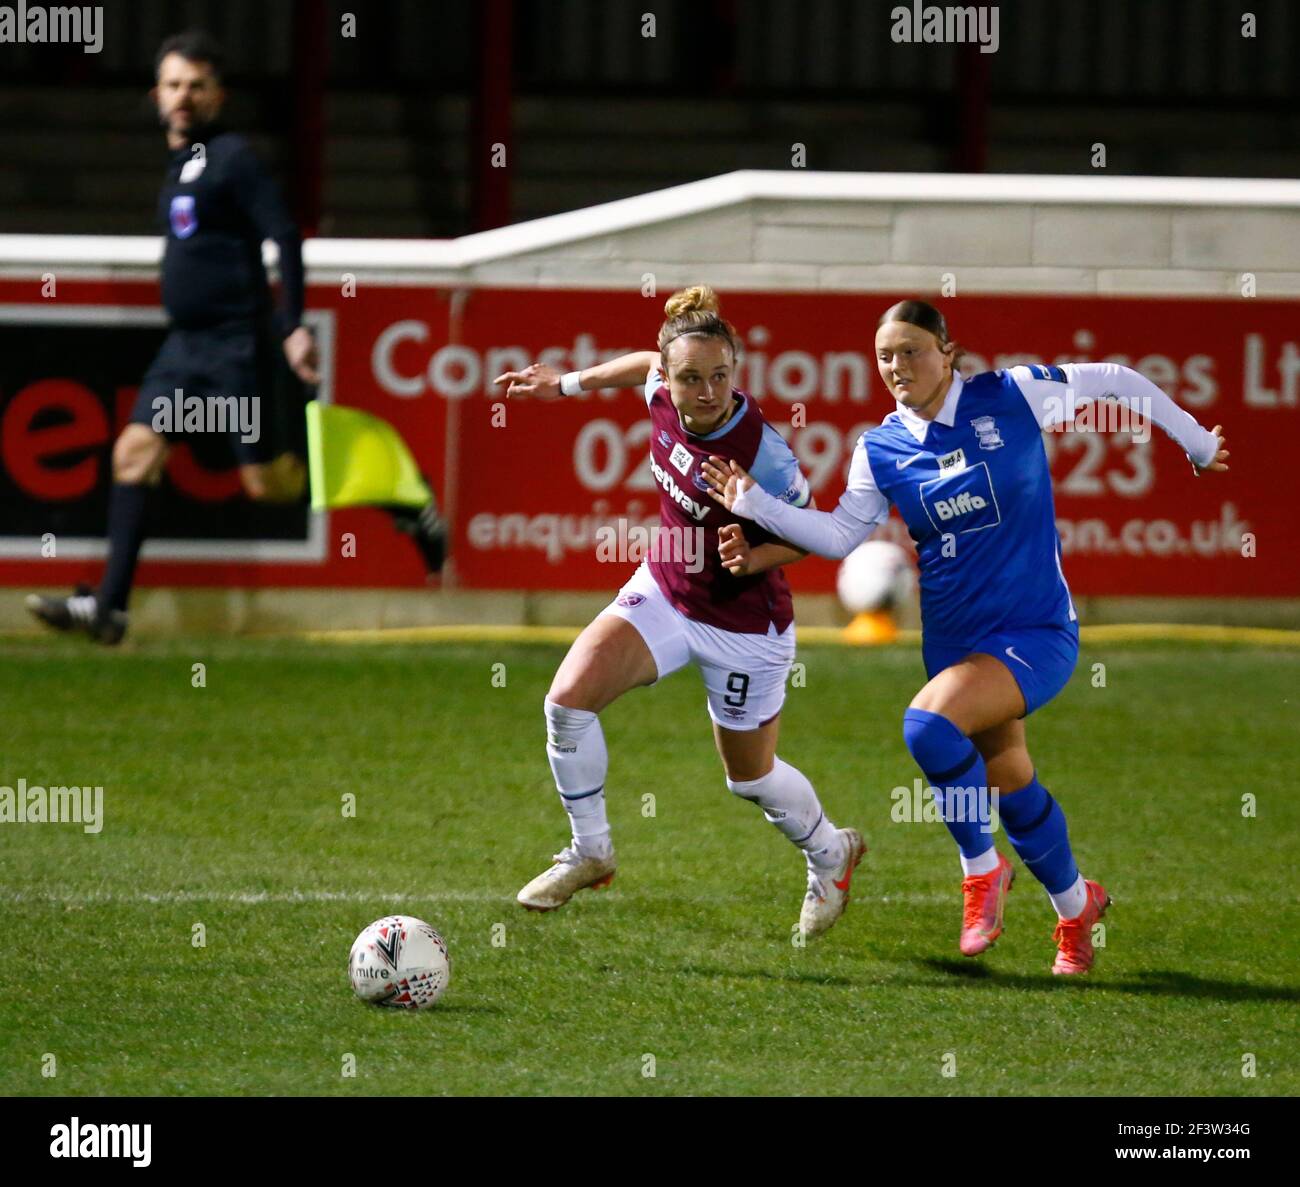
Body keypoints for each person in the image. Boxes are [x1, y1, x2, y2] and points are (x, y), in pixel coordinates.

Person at [702, 299, 1228, 974]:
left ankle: (981, 873)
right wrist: (755, 506)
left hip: (1034, 630)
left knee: (926, 726)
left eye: (913, 349)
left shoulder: (1012, 394)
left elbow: (1120, 381)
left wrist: (1198, 443)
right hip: (952, 641)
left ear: (948, 351)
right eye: (885, 355)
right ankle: (1077, 907)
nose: (898, 366)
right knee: (1010, 777)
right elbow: (838, 534)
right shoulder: (880, 447)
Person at [26, 30, 444, 643]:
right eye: (173, 85)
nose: (184, 96)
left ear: (218, 95)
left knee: (268, 484)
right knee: (134, 455)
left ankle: (405, 502)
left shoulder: (232, 158)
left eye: (197, 85)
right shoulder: (180, 163)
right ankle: (109, 610)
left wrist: (293, 325)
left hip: (236, 346)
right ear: (156, 95)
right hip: (185, 347)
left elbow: (286, 236)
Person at [494, 286, 865, 938]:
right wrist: (568, 385)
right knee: (567, 701)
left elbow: (818, 533)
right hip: (668, 588)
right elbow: (641, 362)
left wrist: (753, 555)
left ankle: (832, 854)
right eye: (690, 376)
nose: (707, 391)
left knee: (749, 779)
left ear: (735, 372)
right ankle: (591, 851)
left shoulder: (762, 452)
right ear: (670, 379)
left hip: (747, 628)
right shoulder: (659, 389)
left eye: (720, 375)